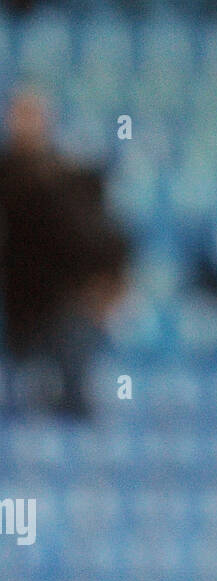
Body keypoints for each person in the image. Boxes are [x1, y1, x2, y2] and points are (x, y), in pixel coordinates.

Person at [0, 88, 130, 416]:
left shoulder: (72, 181)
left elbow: (106, 240)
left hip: (61, 307)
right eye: (20, 115)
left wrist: (109, 285)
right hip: (10, 305)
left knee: (74, 393)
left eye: (34, 116)